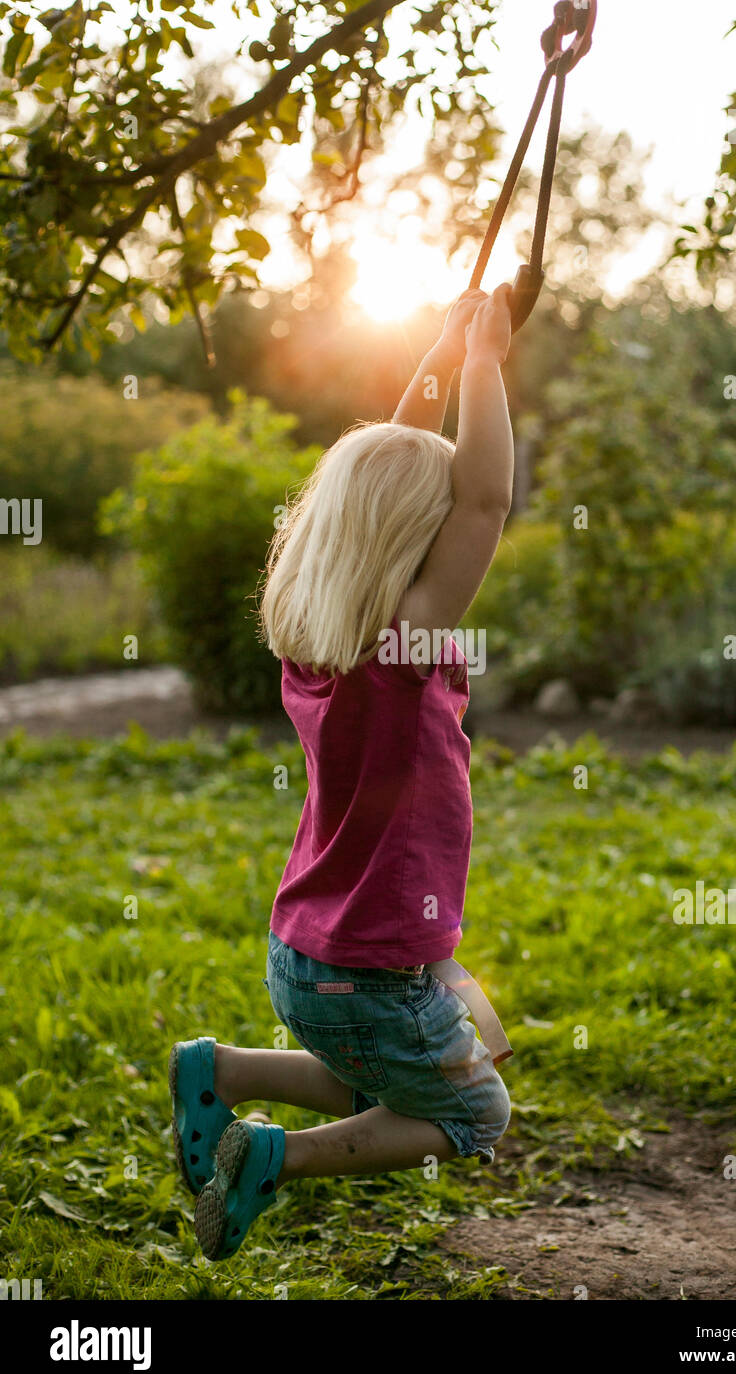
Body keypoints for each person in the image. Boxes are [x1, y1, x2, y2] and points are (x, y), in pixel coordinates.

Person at [169, 283, 516, 1262]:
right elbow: (484, 498)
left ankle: (221, 1069)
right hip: (370, 973)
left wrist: (443, 349)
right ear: (419, 538)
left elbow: (384, 471)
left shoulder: (320, 638)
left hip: (306, 956)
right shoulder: (404, 648)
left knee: (388, 1076)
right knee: (473, 1116)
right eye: (437, 520)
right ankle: (270, 1157)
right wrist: (486, 358)